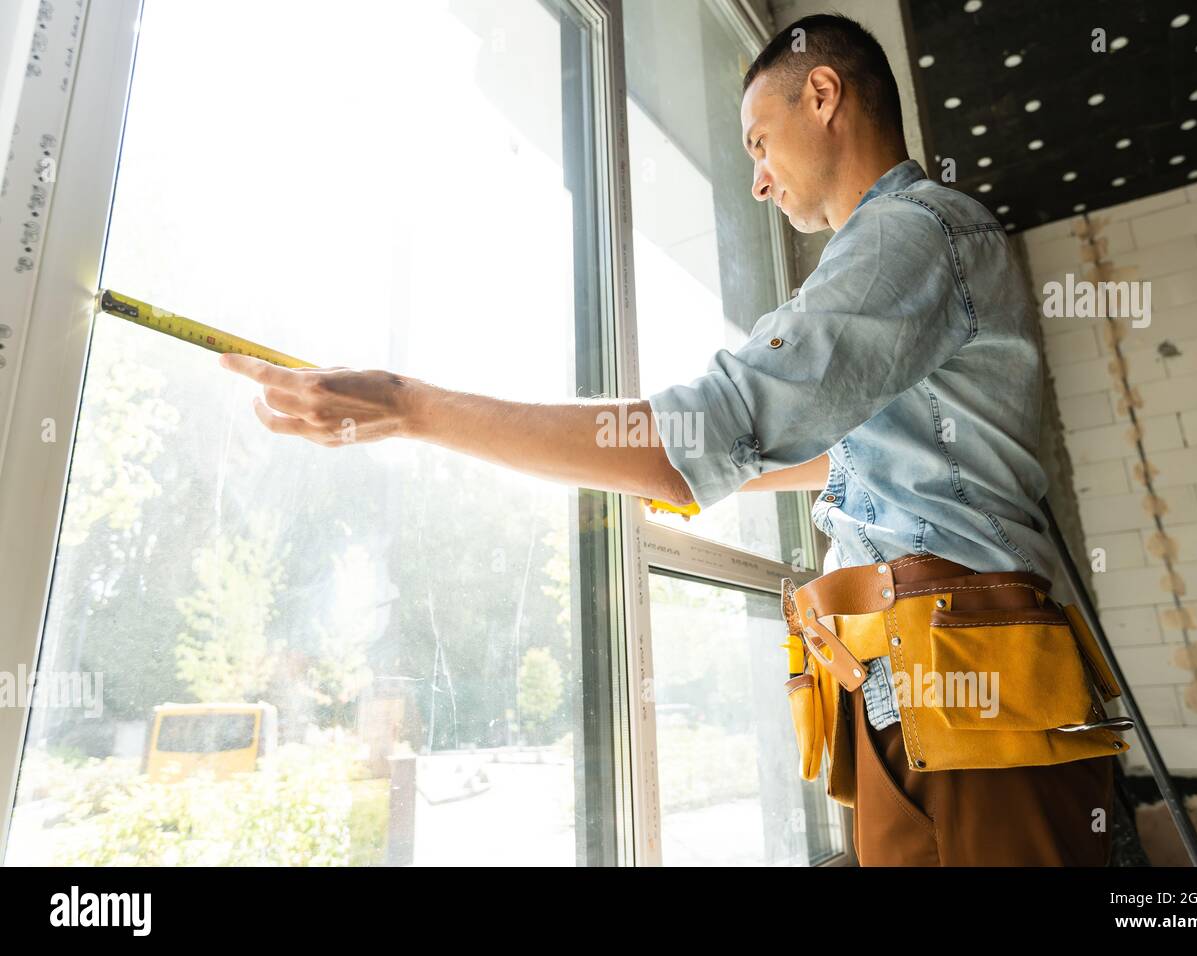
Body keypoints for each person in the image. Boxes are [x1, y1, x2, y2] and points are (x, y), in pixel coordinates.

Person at [219, 12, 1113, 866]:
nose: (757, 178)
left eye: (759, 142)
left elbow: (717, 426)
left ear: (825, 94)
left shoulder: (912, 234)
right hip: (922, 698)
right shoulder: (895, 259)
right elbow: (844, 454)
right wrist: (670, 475)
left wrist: (414, 406)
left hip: (977, 705)